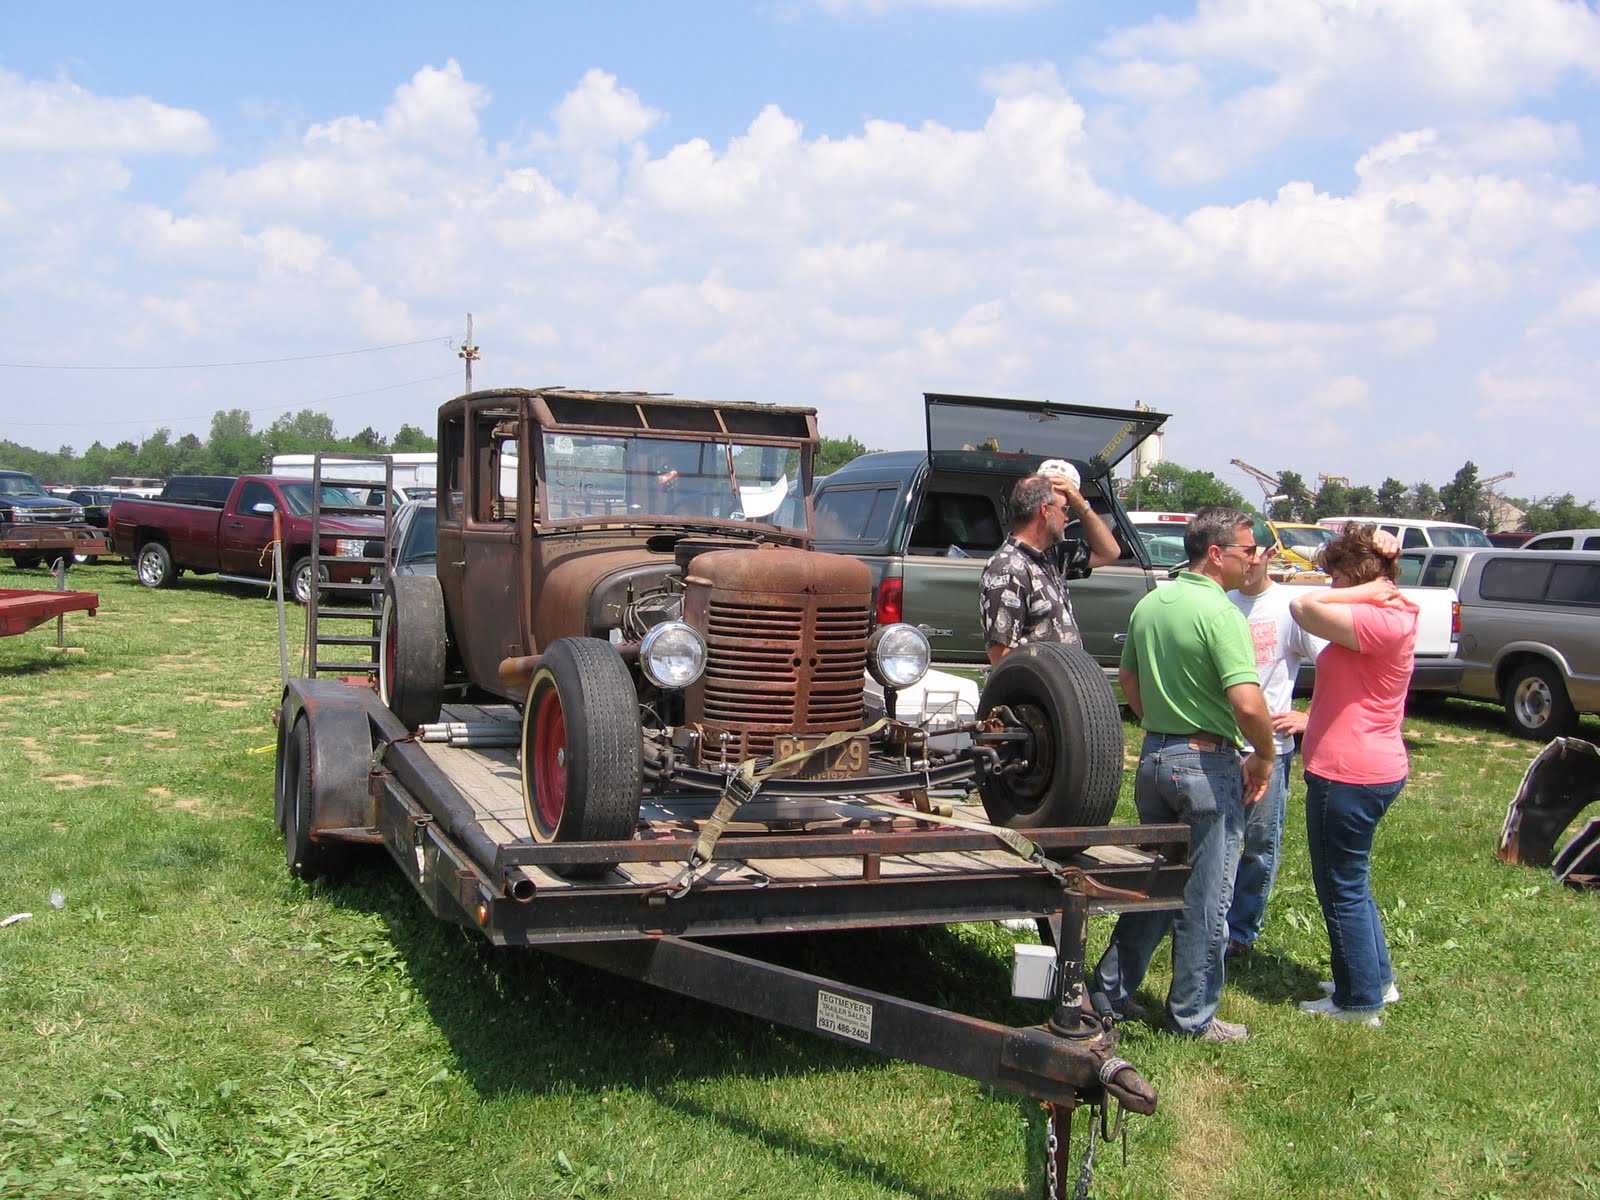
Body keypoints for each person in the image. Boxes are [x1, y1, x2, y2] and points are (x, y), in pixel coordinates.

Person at [1088, 507, 1276, 1043]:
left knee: (1157, 884)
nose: (1253, 558)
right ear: (1216, 554)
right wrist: (1263, 754)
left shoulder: (1152, 603)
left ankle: (1111, 991)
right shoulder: (1221, 615)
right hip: (1206, 767)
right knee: (1207, 896)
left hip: (1154, 760)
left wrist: (1159, 721)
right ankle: (1192, 1015)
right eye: (1246, 549)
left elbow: (1127, 675)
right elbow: (1246, 700)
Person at [1288, 523, 1417, 1026]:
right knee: (1353, 881)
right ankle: (1375, 980)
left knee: (1340, 886)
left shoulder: (1379, 617)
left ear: (1359, 578)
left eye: (1338, 575)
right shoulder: (1388, 612)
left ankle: (1357, 1001)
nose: (1331, 582)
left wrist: (1365, 587)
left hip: (1349, 774)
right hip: (1364, 767)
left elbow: (1303, 607)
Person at [1223, 550, 1328, 959]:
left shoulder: (1289, 607)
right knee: (1215, 841)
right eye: (1241, 552)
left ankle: (1241, 933)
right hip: (1221, 743)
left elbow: (1335, 665)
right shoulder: (1223, 603)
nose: (1248, 563)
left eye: (1254, 553)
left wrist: (1310, 716)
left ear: (1268, 555)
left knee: (1257, 844)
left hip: (1269, 749)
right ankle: (1207, 924)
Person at [978, 465, 1119, 664]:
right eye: (1065, 509)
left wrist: (1082, 505)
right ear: (1045, 510)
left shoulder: (1053, 555)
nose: (1068, 517)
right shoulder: (1008, 568)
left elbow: (1109, 552)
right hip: (1038, 691)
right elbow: (1000, 657)